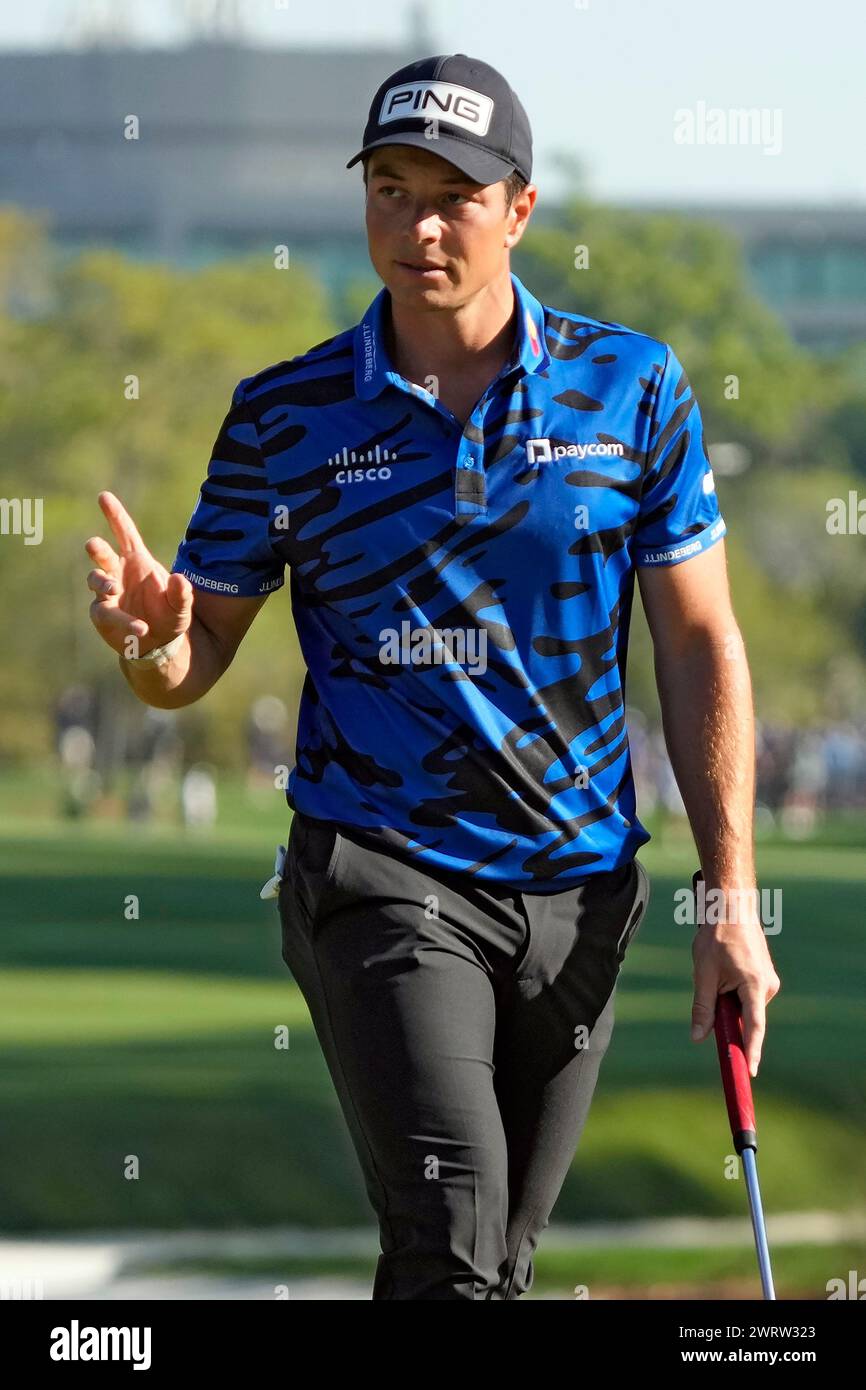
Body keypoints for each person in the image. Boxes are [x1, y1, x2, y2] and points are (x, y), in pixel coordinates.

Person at [84, 52, 780, 1300]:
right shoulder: (285, 417)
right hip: (380, 870)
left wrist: (729, 896)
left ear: (517, 208)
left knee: (494, 1259)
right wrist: (149, 636)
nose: (418, 224)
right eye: (390, 189)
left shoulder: (631, 391)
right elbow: (192, 662)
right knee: (453, 1249)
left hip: (579, 889)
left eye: (451, 194)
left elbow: (697, 642)